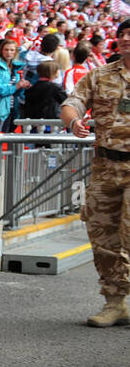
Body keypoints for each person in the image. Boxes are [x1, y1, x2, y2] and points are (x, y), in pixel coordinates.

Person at [61, 19, 130, 328]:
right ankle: (115, 302)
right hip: (105, 169)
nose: (127, 39)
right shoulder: (99, 76)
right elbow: (73, 102)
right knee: (103, 236)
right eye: (123, 35)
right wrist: (74, 120)